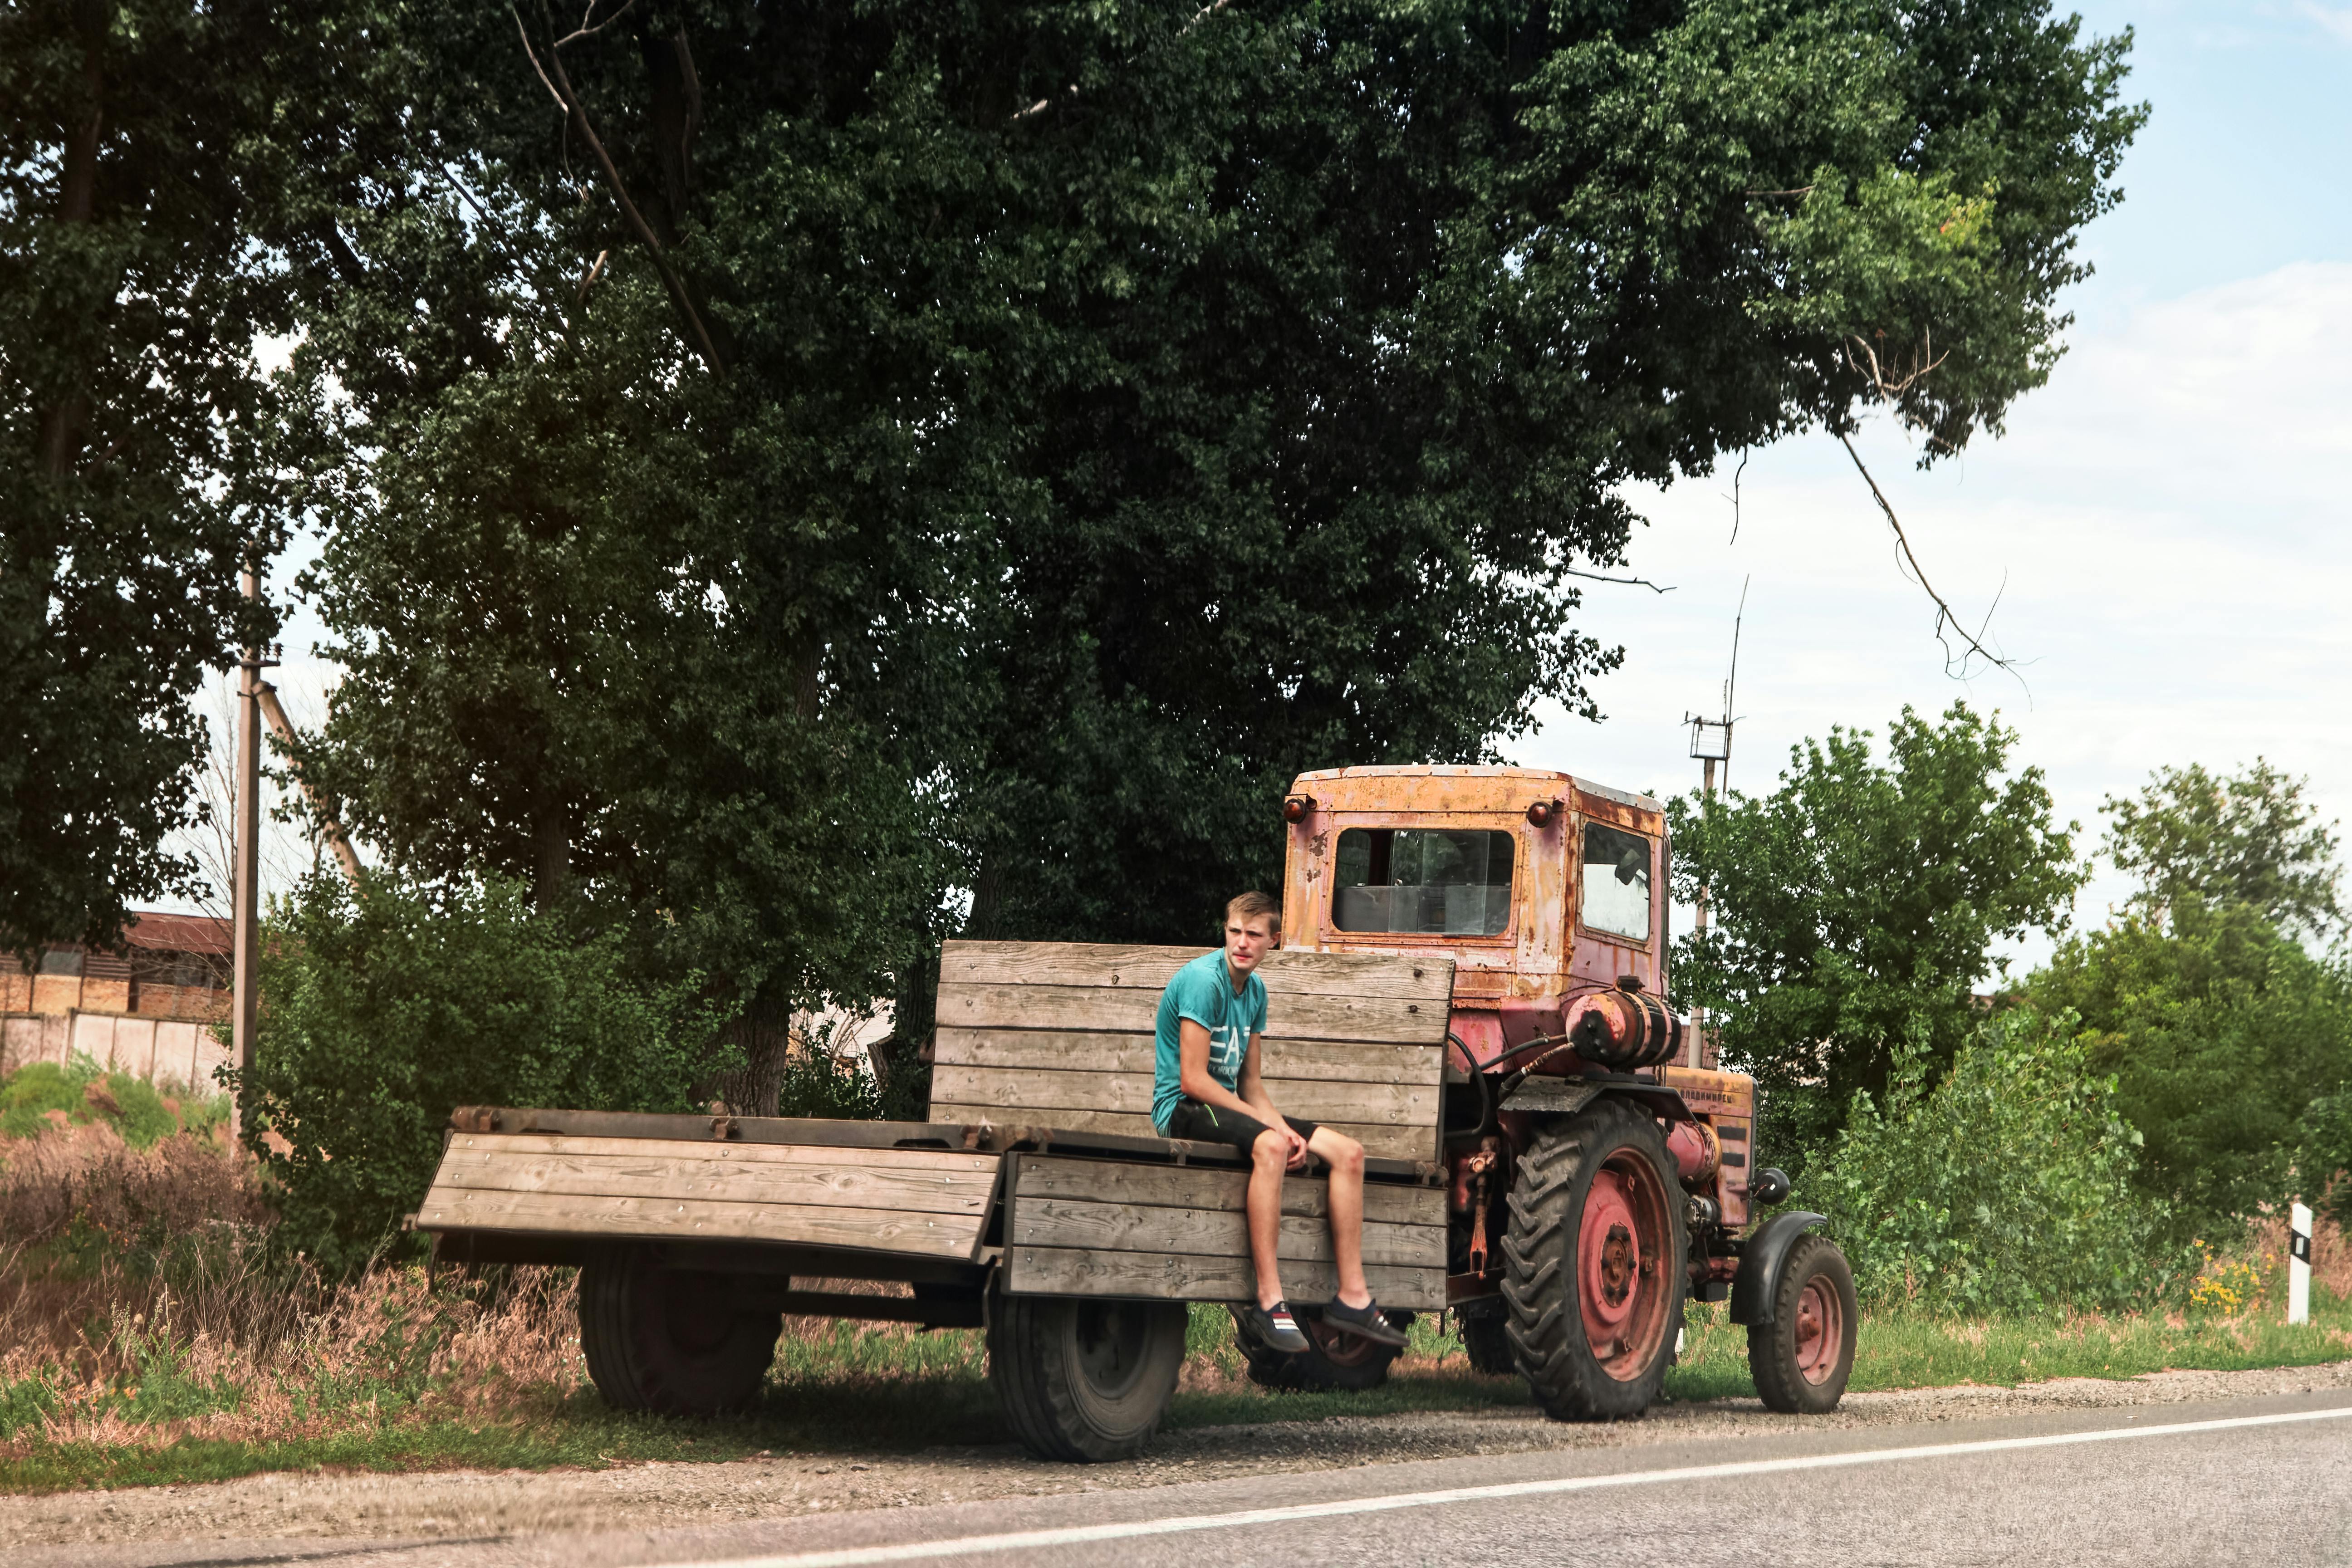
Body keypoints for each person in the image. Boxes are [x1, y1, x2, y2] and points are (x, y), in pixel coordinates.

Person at [1152, 891, 1409, 1355]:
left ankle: (1353, 1298)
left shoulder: (1255, 992)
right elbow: (1193, 1080)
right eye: (1235, 932)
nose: (1242, 943)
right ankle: (1270, 1301)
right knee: (1271, 1146)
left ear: (1274, 940)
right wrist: (1271, 1130)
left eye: (1254, 935)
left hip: (1229, 1106)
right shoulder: (1203, 982)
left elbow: (1251, 1086)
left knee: (1348, 1153)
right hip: (1183, 1109)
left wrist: (1281, 1125)